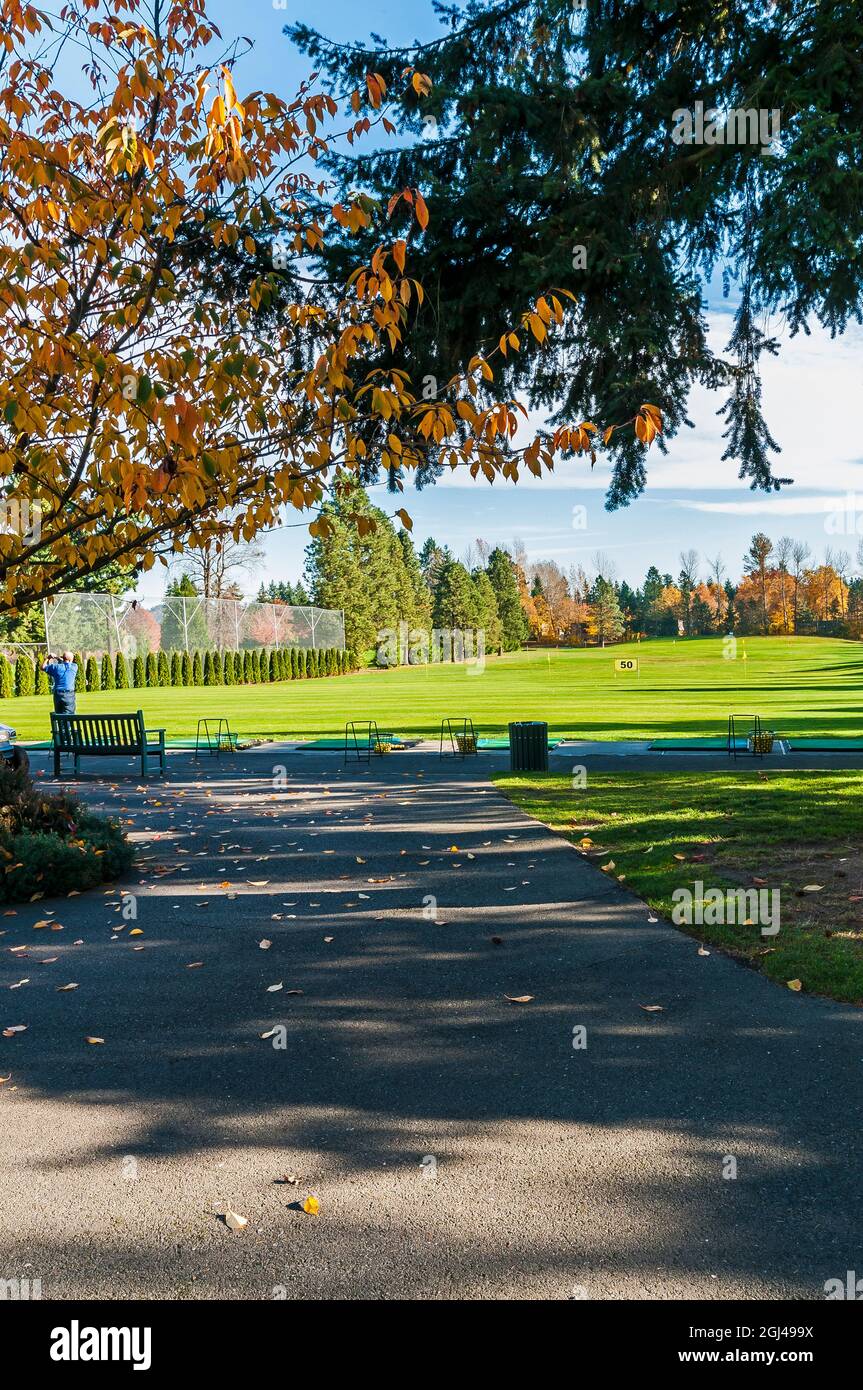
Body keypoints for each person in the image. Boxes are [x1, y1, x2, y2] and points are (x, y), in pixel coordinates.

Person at [42, 651, 78, 716]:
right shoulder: (74, 667)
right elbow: (66, 663)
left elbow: (43, 667)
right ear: (71, 660)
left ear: (63, 658)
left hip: (58, 694)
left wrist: (48, 658)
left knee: (59, 716)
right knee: (69, 717)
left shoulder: (56, 667)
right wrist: (58, 658)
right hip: (69, 694)